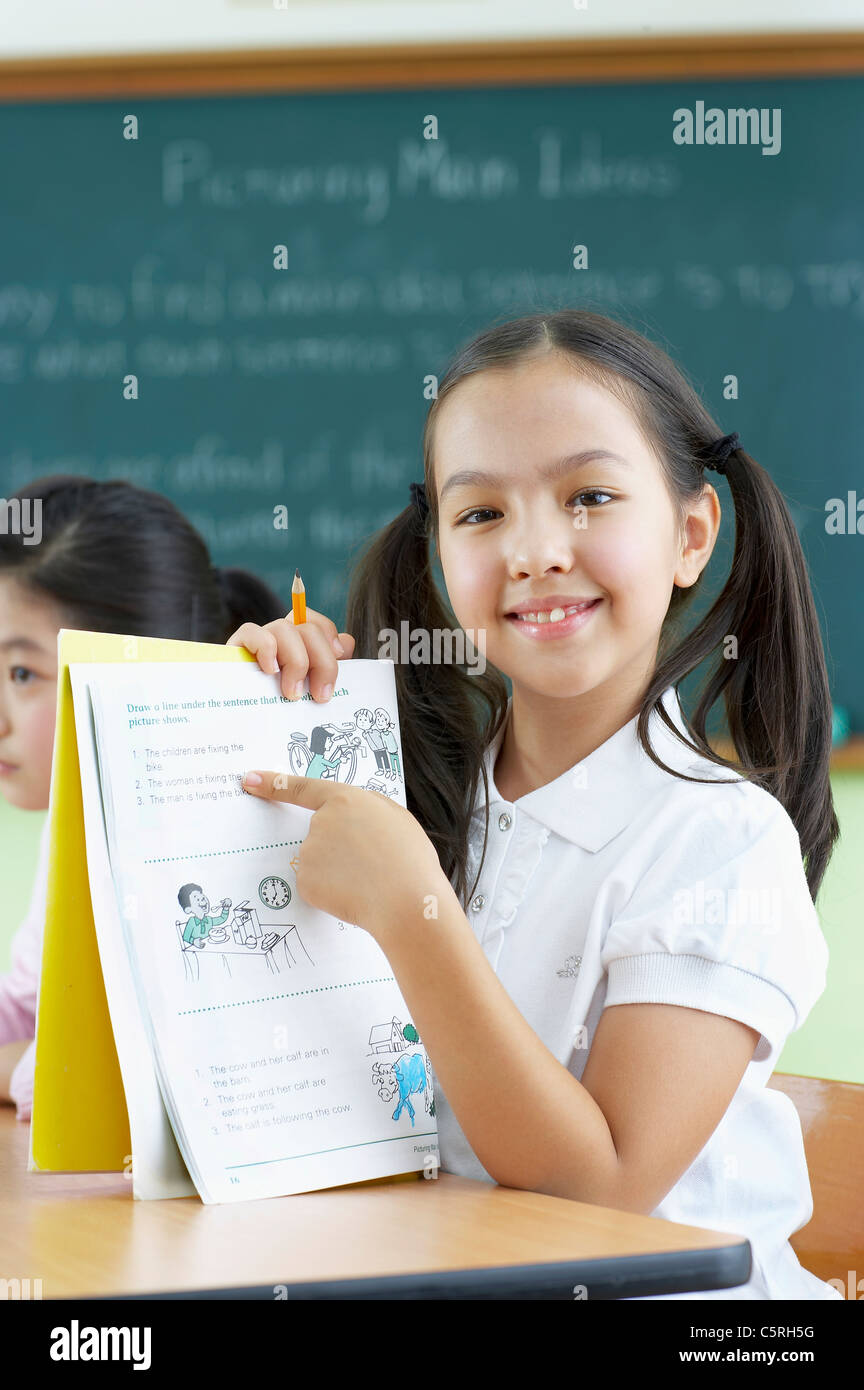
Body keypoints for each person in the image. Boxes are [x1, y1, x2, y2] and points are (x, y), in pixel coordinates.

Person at [231, 308, 845, 1301]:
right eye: (480, 514)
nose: (534, 550)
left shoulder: (719, 839)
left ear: (692, 534)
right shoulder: (416, 795)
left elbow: (596, 1189)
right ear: (437, 548)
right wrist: (240, 722)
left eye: (590, 495)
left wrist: (411, 908)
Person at [0, 474, 287, 1120]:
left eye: (22, 674)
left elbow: (113, 1080)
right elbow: (31, 1002)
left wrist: (20, 1063)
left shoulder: (221, 820)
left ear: (132, 667)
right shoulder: (74, 817)